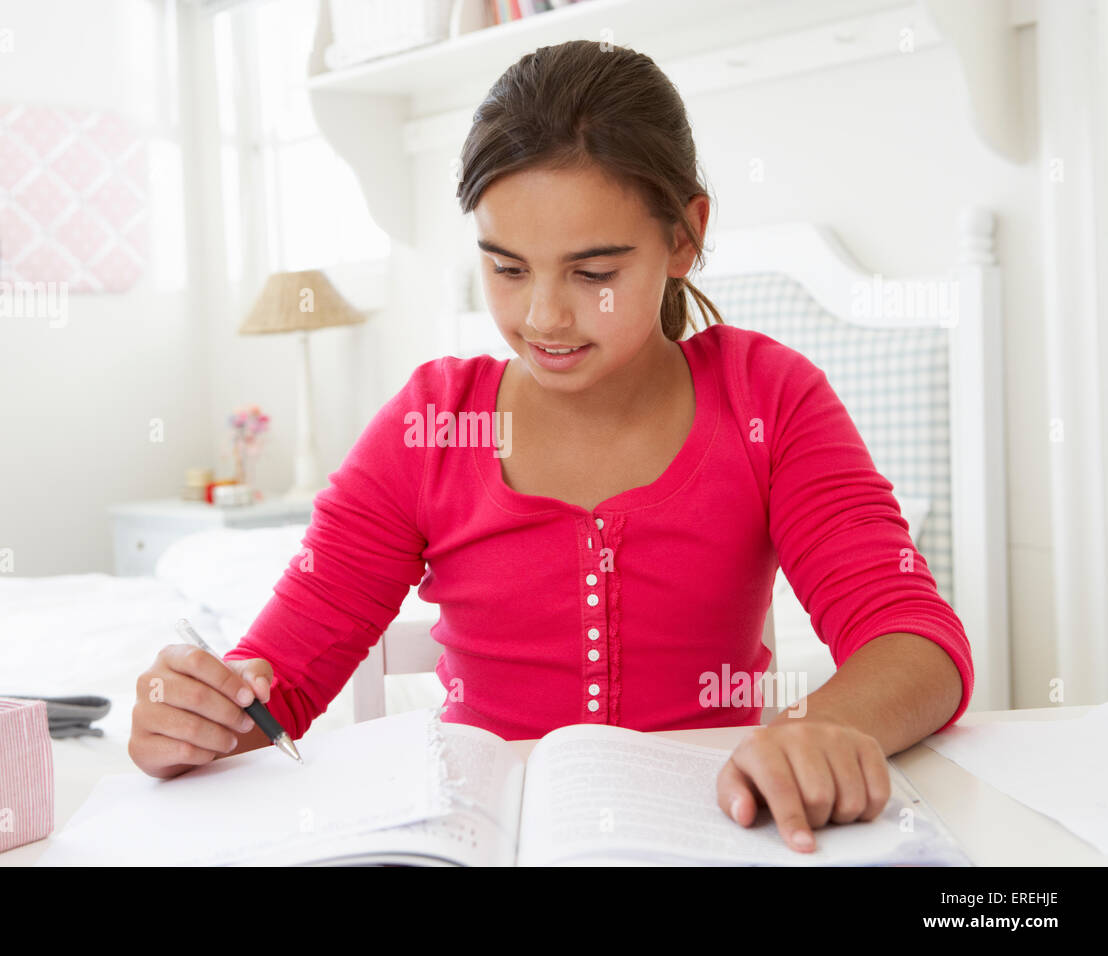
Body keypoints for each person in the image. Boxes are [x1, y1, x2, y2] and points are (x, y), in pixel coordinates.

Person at [129, 39, 972, 854]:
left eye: (594, 273)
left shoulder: (769, 399)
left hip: (714, 835)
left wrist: (818, 728)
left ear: (685, 237)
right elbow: (276, 683)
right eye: (507, 268)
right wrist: (196, 713)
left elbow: (915, 639)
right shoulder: (429, 427)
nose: (543, 318)